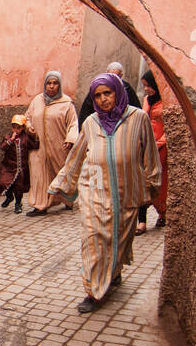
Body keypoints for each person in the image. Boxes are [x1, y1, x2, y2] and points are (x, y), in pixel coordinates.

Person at [49, 73, 162, 313]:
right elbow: (78, 154)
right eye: (97, 96)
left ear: (117, 92)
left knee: (120, 239)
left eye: (107, 93)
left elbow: (149, 154)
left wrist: (152, 184)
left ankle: (114, 270)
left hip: (126, 192)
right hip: (94, 190)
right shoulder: (91, 122)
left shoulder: (138, 118)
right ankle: (94, 290)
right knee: (93, 238)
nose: (102, 100)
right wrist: (63, 182)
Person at [25, 70, 78, 217]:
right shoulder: (37, 100)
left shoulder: (66, 103)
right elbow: (27, 117)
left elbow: (73, 124)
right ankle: (40, 206)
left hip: (58, 147)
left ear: (59, 85)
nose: (52, 86)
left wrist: (70, 139)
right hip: (38, 148)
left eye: (55, 83)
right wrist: (28, 126)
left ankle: (67, 199)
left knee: (60, 174)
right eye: (49, 83)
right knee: (38, 176)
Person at [136, 69, 168, 233]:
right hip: (145, 146)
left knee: (159, 183)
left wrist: (159, 143)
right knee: (142, 182)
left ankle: (162, 212)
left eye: (148, 86)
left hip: (160, 150)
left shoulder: (166, 102)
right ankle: (141, 221)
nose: (146, 89)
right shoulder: (147, 100)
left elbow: (170, 129)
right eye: (144, 86)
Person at [78, 61, 141, 126]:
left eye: (107, 93)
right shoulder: (98, 88)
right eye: (110, 76)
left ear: (121, 75)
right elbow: (86, 111)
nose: (103, 99)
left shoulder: (127, 89)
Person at [0, 114, 38, 212]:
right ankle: (9, 196)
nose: (16, 130)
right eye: (14, 127)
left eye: (18, 127)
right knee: (4, 182)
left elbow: (34, 145)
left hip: (20, 168)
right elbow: (3, 147)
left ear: (23, 128)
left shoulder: (25, 138)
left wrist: (36, 137)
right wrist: (11, 140)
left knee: (18, 187)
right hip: (8, 166)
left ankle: (18, 204)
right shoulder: (8, 136)